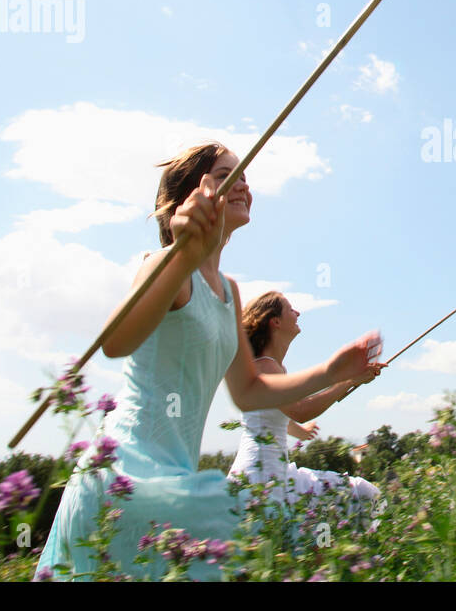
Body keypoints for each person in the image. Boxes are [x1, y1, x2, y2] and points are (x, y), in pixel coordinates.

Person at [34, 142, 381, 581]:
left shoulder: (229, 291)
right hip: (127, 475)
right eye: (224, 175)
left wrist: (332, 373)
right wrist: (183, 254)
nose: (242, 185)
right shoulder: (164, 264)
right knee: (253, 543)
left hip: (175, 476)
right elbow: (116, 342)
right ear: (187, 199)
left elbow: (250, 391)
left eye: (245, 177)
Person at [228, 292, 382, 519]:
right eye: (291, 309)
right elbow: (300, 410)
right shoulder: (266, 367)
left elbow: (279, 416)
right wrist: (350, 380)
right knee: (364, 494)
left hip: (275, 474)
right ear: (276, 321)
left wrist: (301, 430)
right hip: (262, 477)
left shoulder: (273, 367)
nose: (298, 313)